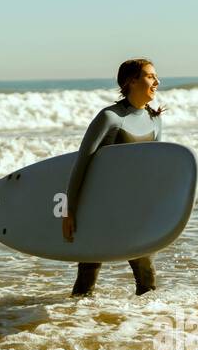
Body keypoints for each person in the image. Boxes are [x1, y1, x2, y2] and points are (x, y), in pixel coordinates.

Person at [62, 58, 164, 297]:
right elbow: (82, 163)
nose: (157, 82)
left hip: (135, 211)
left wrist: (157, 209)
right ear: (131, 81)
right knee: (87, 277)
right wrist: (69, 210)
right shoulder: (110, 117)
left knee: (147, 280)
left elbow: (155, 169)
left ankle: (139, 329)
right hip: (100, 210)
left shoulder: (155, 120)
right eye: (150, 76)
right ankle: (73, 326)